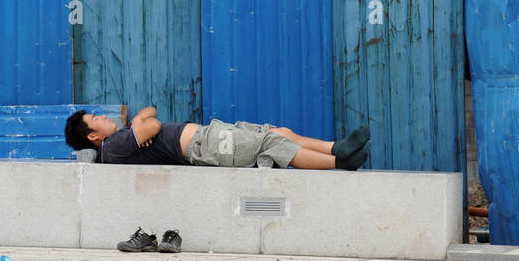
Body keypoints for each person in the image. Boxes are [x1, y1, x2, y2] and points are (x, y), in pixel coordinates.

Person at [64, 104, 370, 170]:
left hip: (208, 136)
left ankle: (337, 146)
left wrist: (139, 120)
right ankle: (339, 162)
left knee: (277, 132)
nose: (103, 116)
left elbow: (150, 112)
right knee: (271, 144)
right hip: (205, 147)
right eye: (96, 119)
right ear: (93, 136)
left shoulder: (123, 135)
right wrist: (142, 123)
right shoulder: (113, 147)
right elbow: (154, 125)